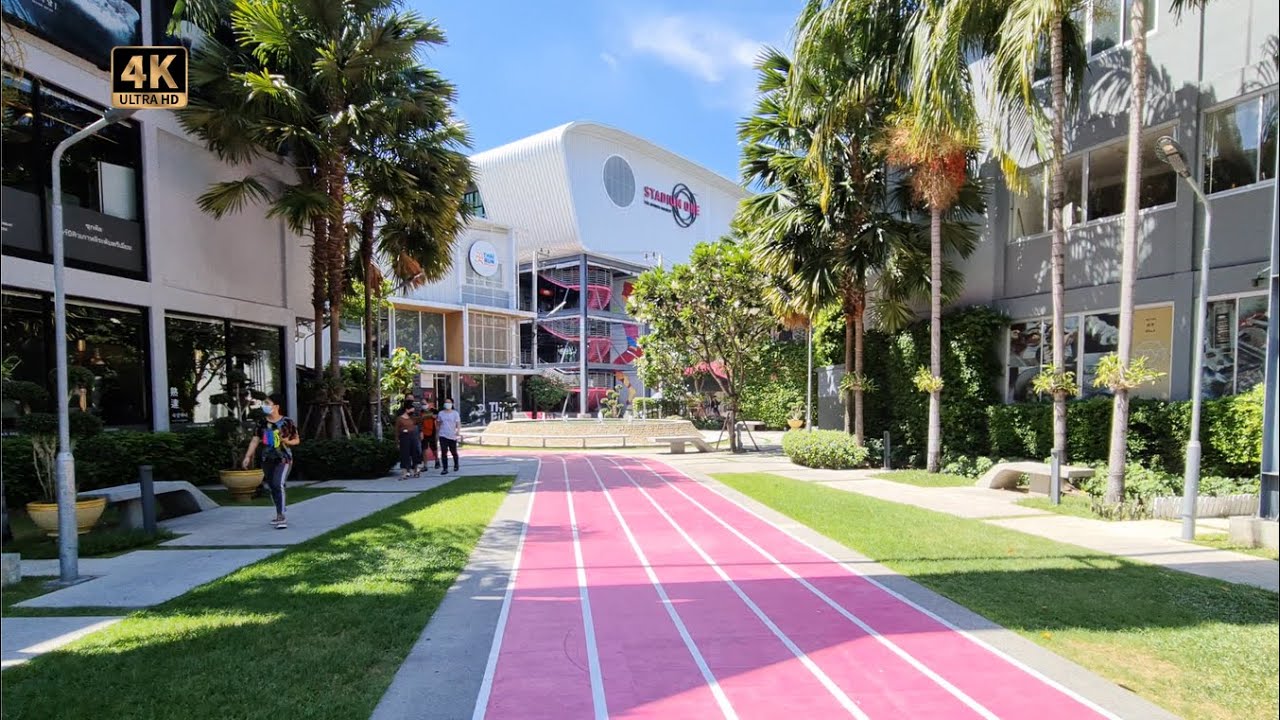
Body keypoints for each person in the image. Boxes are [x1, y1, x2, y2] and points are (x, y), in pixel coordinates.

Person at [241, 394, 299, 529]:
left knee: (278, 484)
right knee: (272, 486)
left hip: (284, 458)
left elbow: (296, 439)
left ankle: (282, 516)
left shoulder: (287, 422)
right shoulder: (261, 423)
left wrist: (286, 441)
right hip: (267, 458)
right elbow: (255, 440)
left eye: (268, 403)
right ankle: (279, 512)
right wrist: (248, 456)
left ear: (276, 406)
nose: (265, 406)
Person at [436, 399, 461, 475]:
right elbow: (438, 423)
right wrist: (437, 433)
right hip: (443, 435)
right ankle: (445, 468)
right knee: (444, 452)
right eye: (446, 402)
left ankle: (456, 464)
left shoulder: (455, 413)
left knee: (453, 452)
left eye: (449, 402)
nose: (447, 404)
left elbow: (458, 423)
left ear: (452, 404)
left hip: (452, 435)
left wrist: (458, 431)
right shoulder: (441, 413)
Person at [395, 402, 419, 479]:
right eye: (411, 410)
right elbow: (396, 431)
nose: (413, 412)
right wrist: (397, 442)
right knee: (405, 455)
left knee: (415, 454)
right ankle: (404, 473)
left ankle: (416, 470)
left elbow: (421, 419)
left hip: (413, 437)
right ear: (406, 410)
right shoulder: (400, 419)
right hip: (404, 437)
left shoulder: (412, 418)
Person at [420, 403, 440, 470]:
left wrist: (426, 415)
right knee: (424, 449)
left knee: (434, 448)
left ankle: (437, 460)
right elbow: (420, 419)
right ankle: (425, 465)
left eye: (425, 403)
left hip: (432, 432)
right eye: (422, 404)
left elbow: (435, 416)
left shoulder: (434, 410)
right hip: (424, 432)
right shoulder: (421, 411)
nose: (423, 405)